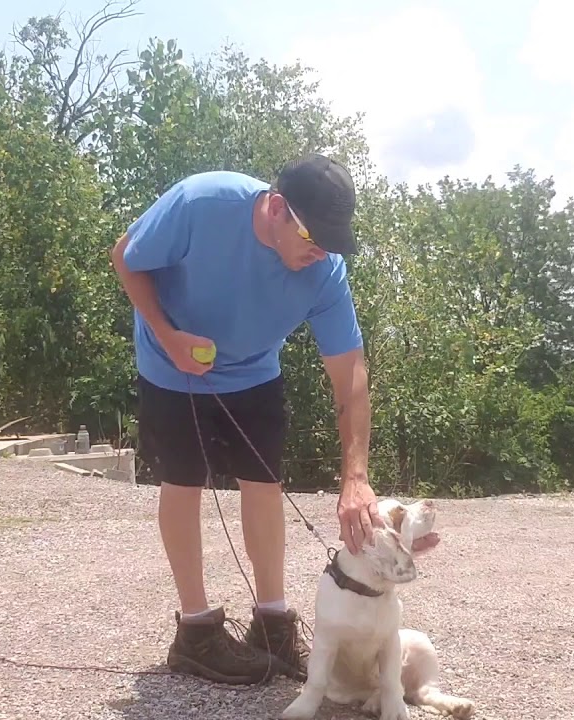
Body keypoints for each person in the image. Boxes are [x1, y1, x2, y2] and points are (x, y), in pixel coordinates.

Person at [109, 152, 384, 685]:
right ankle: (195, 631)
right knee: (183, 480)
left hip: (254, 371)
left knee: (265, 483)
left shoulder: (325, 270)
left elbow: (350, 374)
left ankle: (272, 623)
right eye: (312, 236)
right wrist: (169, 338)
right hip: (172, 365)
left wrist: (356, 478)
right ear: (277, 209)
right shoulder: (201, 202)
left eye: (331, 240)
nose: (320, 251)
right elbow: (126, 256)